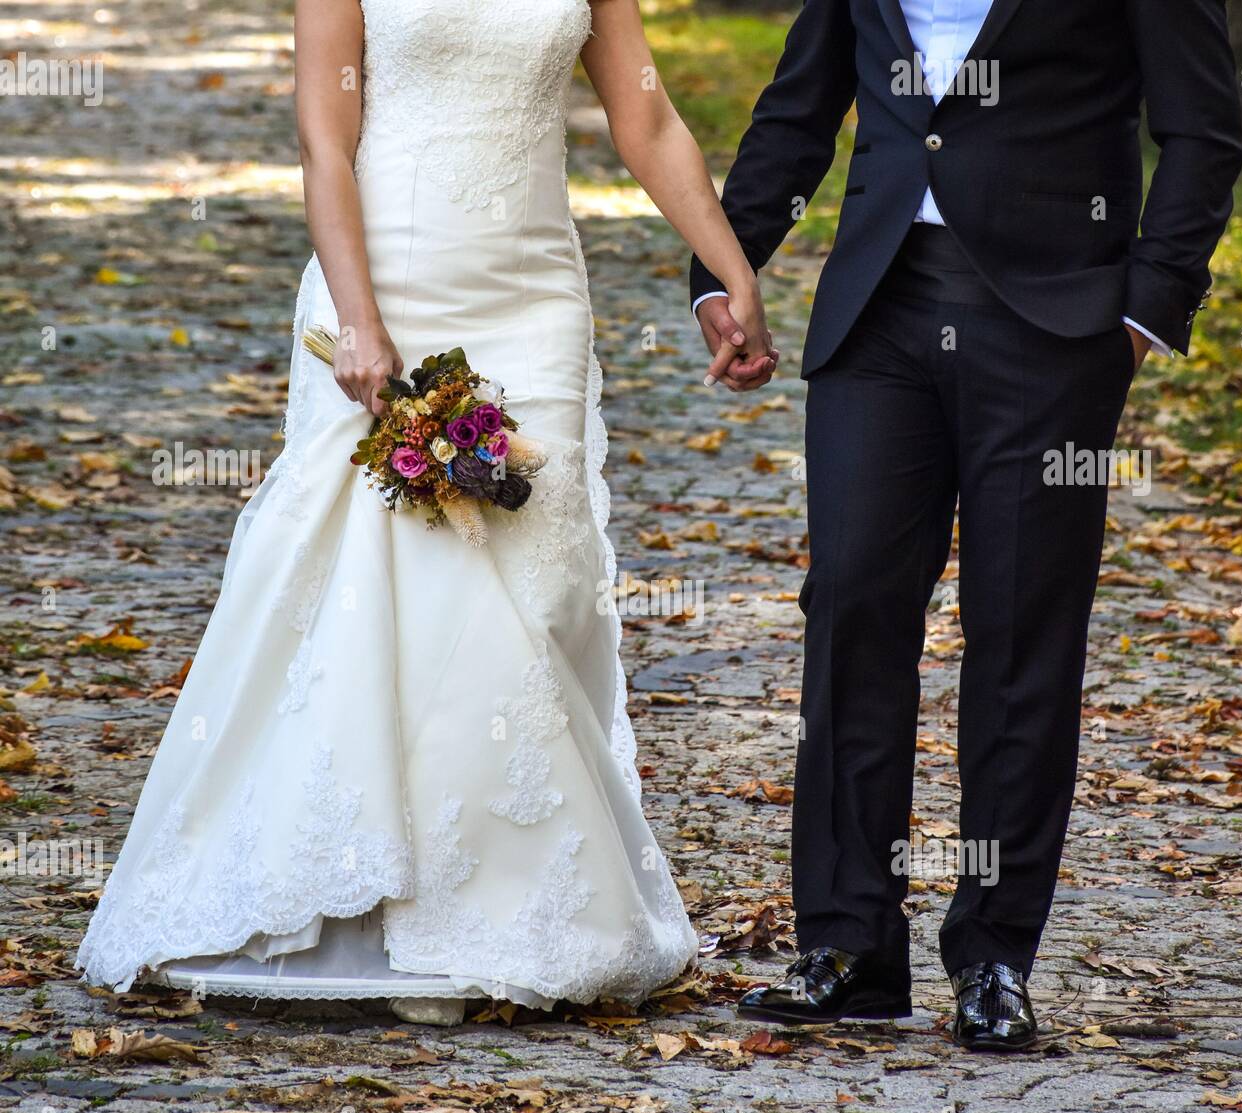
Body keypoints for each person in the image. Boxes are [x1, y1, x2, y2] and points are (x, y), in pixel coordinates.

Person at [77, 0, 774, 1026]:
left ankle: (490, 908)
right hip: (390, 281)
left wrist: (730, 265)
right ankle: (363, 893)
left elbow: (648, 117)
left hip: (533, 291)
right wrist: (357, 318)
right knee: (371, 580)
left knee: (536, 587)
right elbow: (326, 134)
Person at [692, 0, 1242, 1048]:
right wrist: (723, 268)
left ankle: (994, 954)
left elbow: (1203, 129)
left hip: (1053, 321)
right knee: (850, 604)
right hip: (878, 312)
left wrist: (1143, 312)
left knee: (1020, 631)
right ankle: (848, 942)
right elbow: (799, 105)